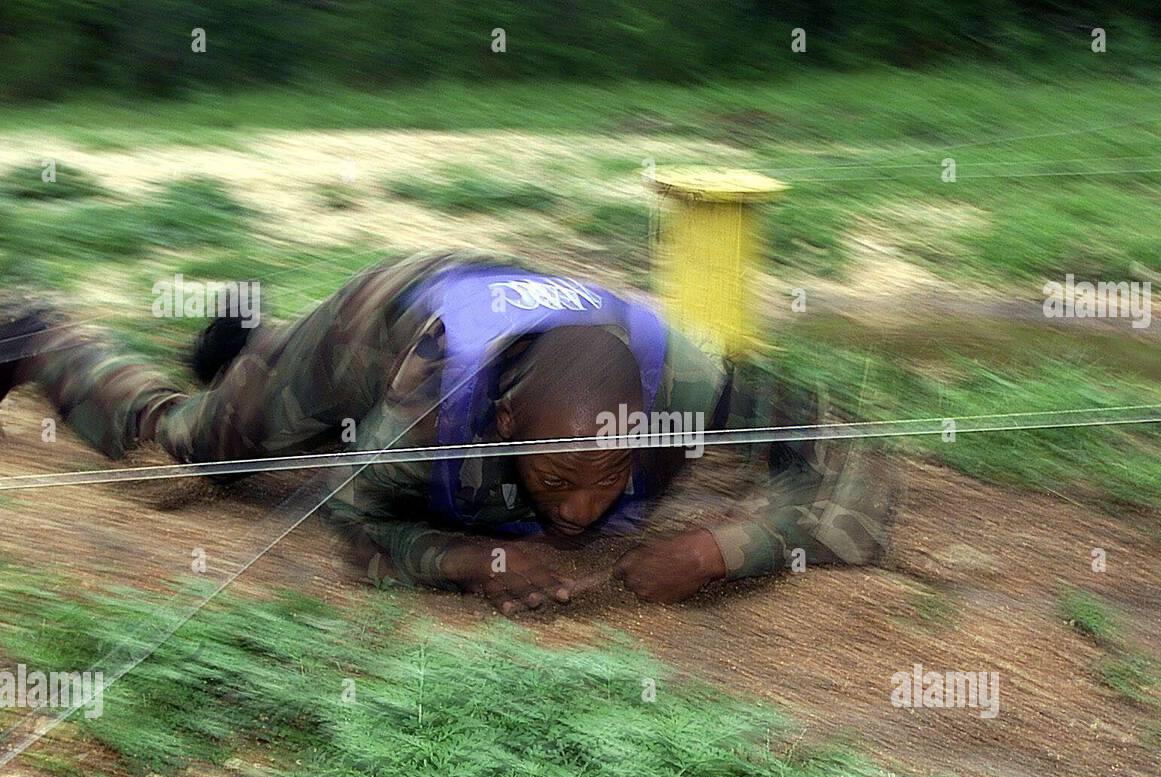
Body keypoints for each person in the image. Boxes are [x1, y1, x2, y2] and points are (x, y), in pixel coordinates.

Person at [0, 252, 898, 613]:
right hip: (371, 322)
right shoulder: (422, 410)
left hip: (511, 312)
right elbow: (356, 522)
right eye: (554, 479)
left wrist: (724, 549)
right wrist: (481, 562)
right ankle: (41, 334)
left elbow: (851, 452)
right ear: (505, 423)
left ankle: (243, 344)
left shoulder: (693, 378)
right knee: (192, 456)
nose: (583, 513)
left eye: (608, 474)